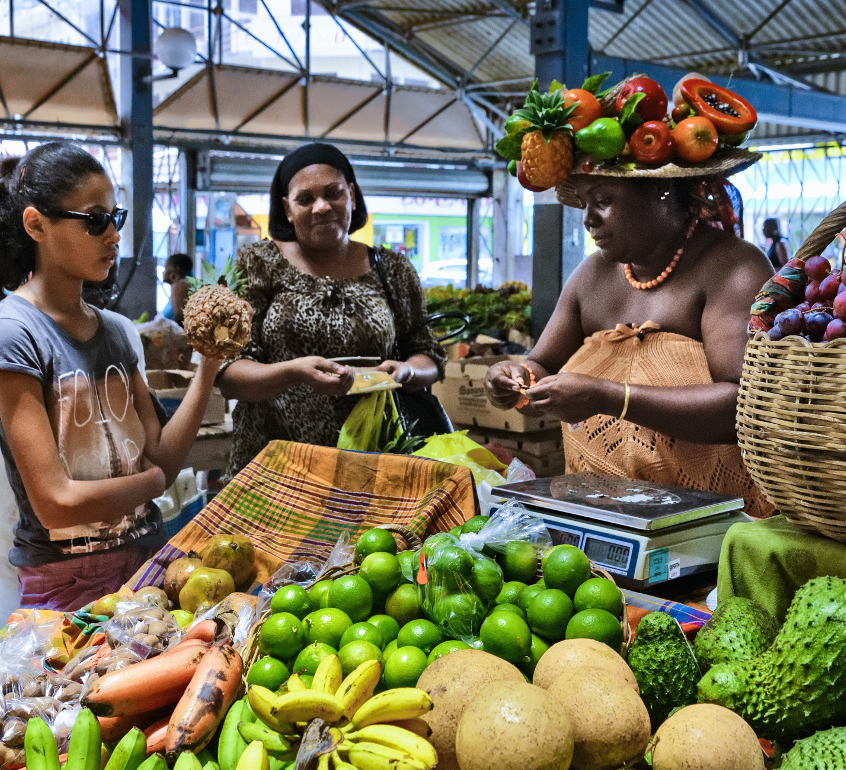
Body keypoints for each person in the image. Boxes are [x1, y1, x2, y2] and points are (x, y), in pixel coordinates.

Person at [0, 141, 219, 612]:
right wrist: (151, 482)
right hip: (64, 585)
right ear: (36, 224)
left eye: (115, 218)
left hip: (146, 569)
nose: (113, 236)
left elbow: (161, 455)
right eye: (94, 220)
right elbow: (55, 503)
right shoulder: (14, 333)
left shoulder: (115, 333)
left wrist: (208, 368)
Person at [483, 163, 775, 515]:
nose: (589, 219)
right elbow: (541, 364)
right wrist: (512, 377)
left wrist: (609, 398)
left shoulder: (733, 268)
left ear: (660, 189)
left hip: (712, 520)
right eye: (582, 203)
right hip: (598, 511)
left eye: (603, 200)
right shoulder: (590, 275)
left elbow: (743, 406)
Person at [216, 142, 447, 478]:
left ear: (351, 194)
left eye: (333, 193)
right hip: (276, 467)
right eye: (305, 199)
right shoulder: (255, 265)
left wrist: (408, 372)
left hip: (374, 467)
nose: (321, 207)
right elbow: (229, 374)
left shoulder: (393, 268)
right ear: (287, 208)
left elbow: (429, 355)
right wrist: (294, 372)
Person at [0, 291, 154, 626]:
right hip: (20, 541)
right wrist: (38, 382)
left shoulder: (119, 331)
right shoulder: (4, 319)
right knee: (27, 669)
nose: (110, 242)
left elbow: (137, 434)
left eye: (114, 234)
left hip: (113, 544)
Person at [163, 253, 193, 324]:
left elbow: (180, 317)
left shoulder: (179, 286)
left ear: (175, 269)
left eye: (166, 268)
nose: (164, 272)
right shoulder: (185, 284)